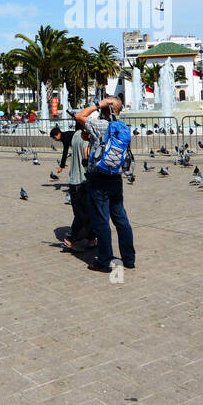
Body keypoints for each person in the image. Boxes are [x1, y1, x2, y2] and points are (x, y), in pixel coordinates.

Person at [75, 95, 134, 272]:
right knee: (121, 218)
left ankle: (104, 261)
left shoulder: (101, 124)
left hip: (99, 178)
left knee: (101, 221)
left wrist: (96, 104)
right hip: (115, 178)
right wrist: (91, 139)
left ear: (107, 108)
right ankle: (129, 259)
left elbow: (79, 115)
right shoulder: (122, 127)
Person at [51, 126, 95, 251]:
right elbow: (86, 154)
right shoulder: (86, 138)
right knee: (85, 213)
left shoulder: (76, 134)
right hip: (82, 180)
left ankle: (91, 238)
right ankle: (71, 239)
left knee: (82, 211)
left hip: (73, 179)